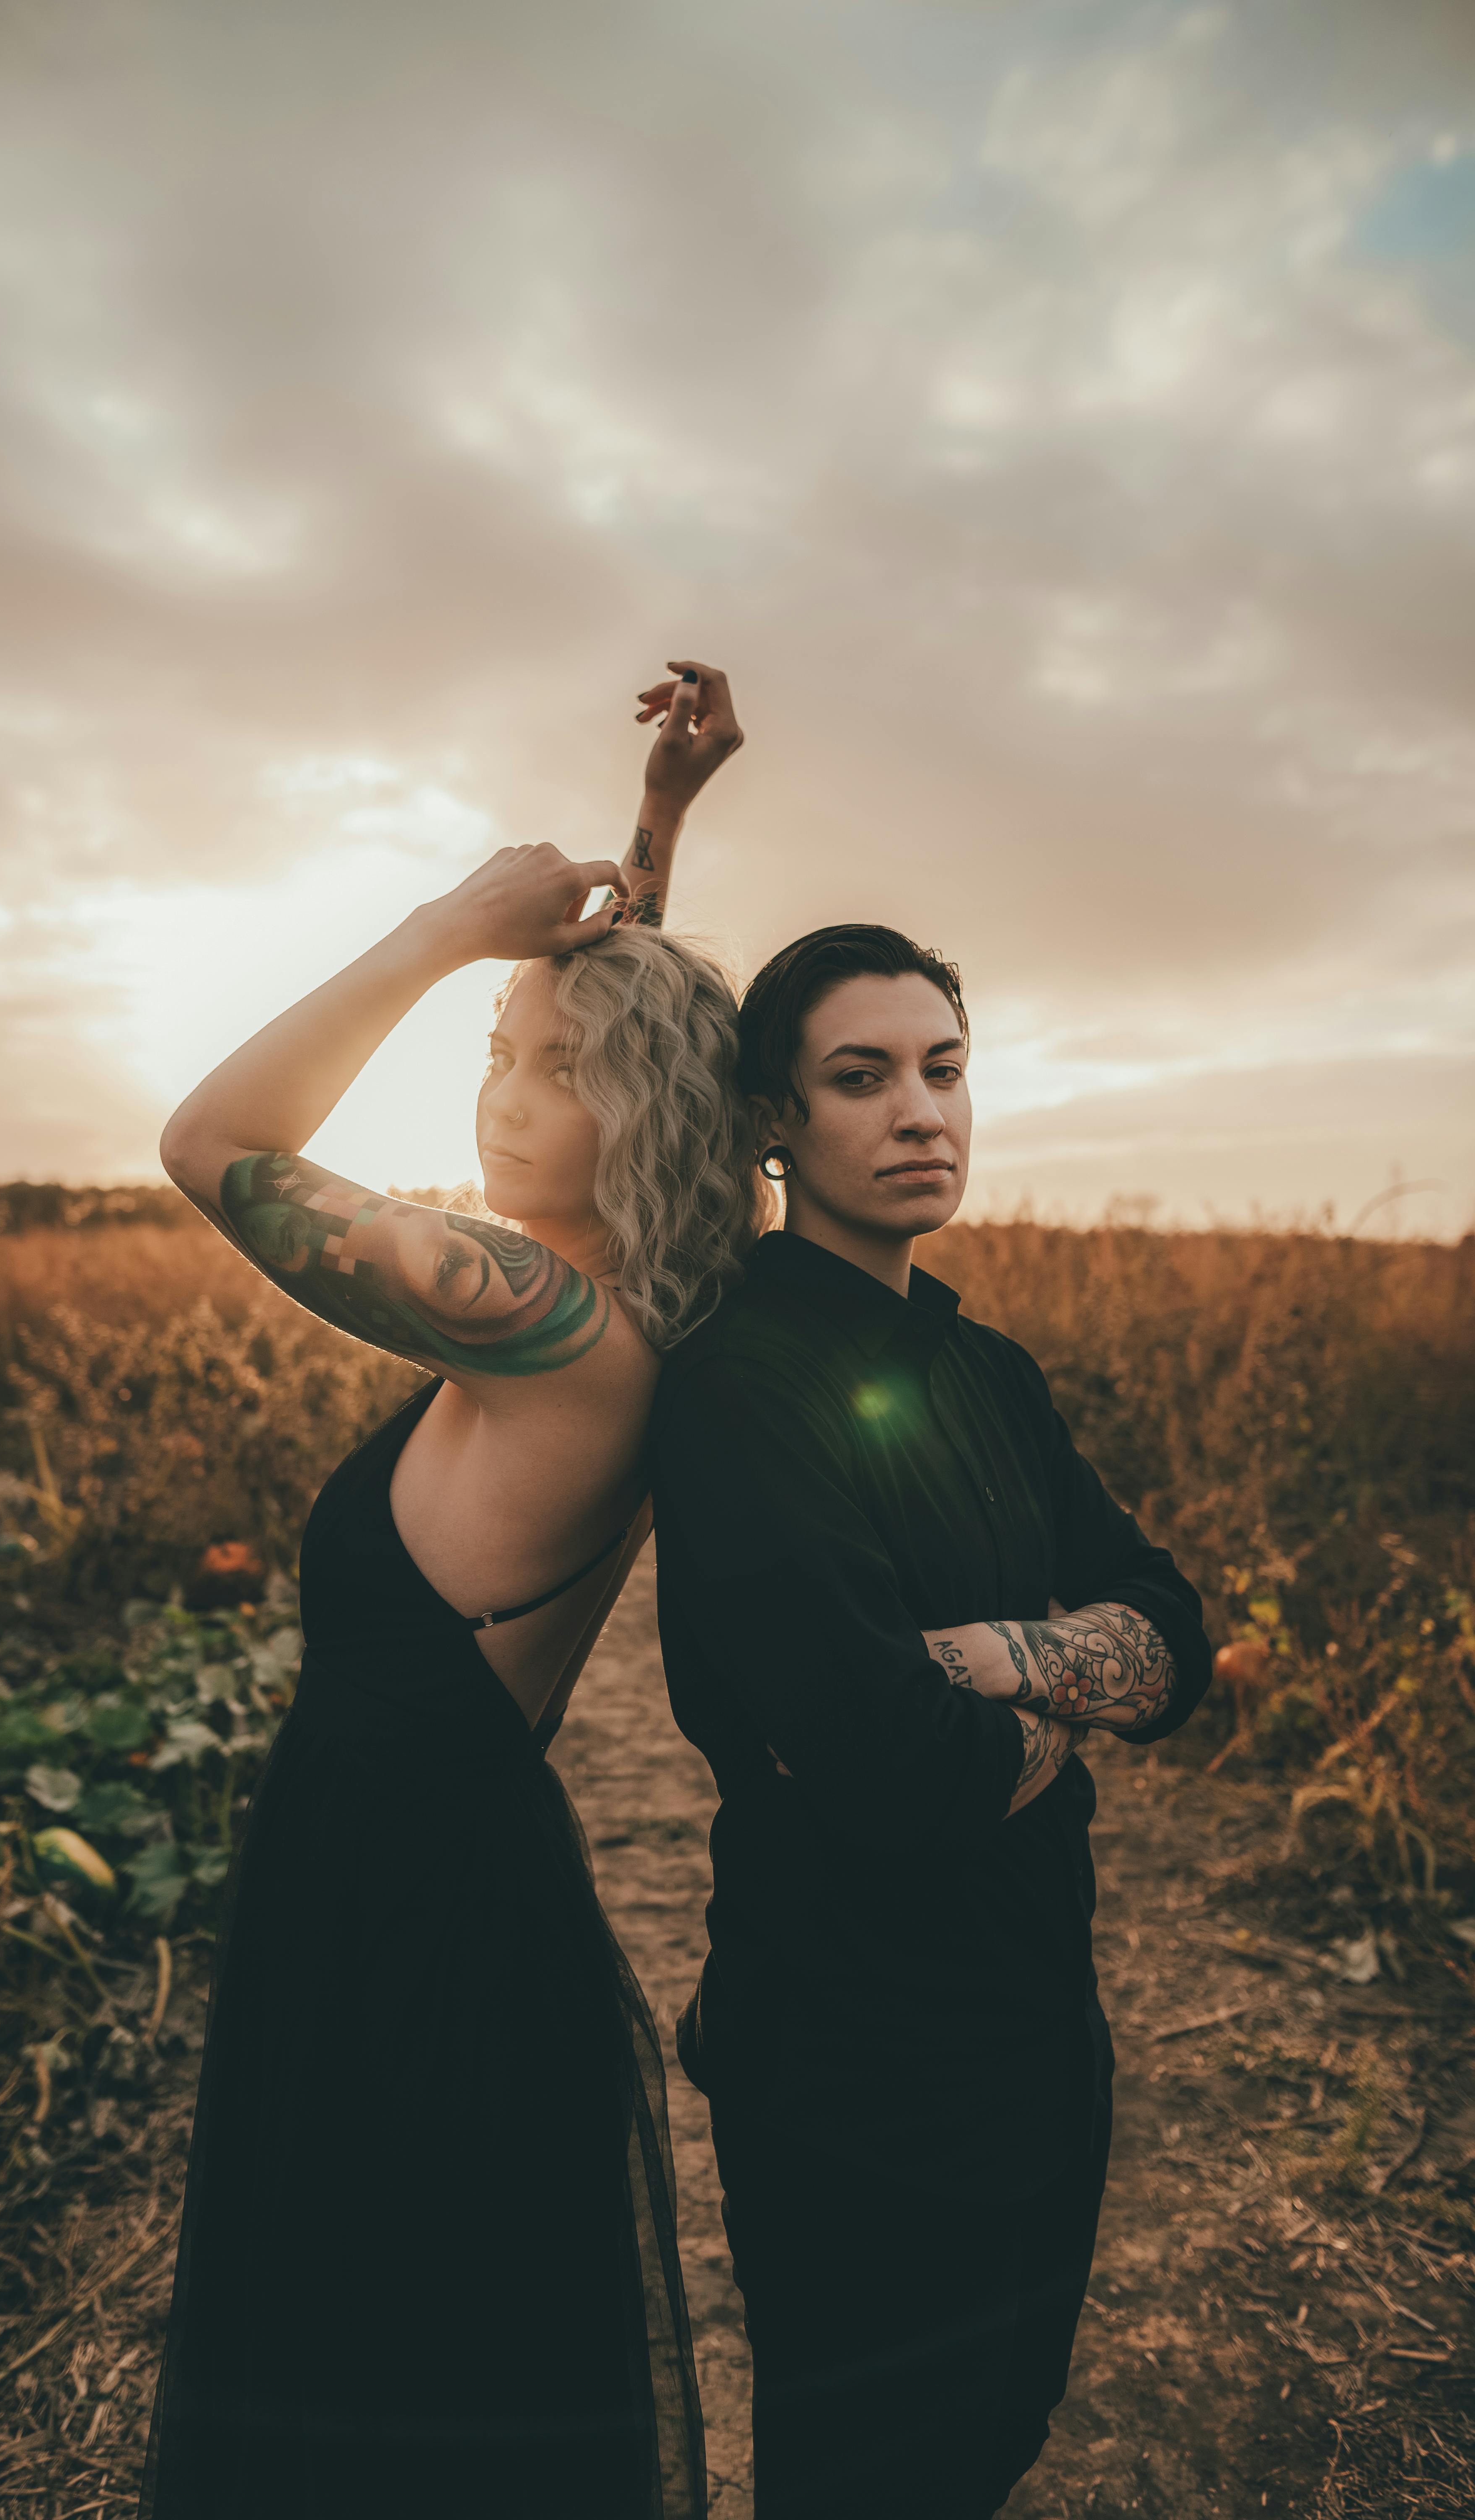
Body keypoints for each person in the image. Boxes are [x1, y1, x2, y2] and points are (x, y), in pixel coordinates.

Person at [137, 663, 764, 2520]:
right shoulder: (634, 1295)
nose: (506, 1093)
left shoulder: (543, 1323)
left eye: (560, 1072)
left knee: (376, 2366)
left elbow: (206, 1145)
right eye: (496, 1050)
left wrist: (436, 930)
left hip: (400, 1899)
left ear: (640, 1106)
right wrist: (656, 825)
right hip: (424, 1866)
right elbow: (622, 1014)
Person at [646, 910, 1214, 2519]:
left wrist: (997, 1660)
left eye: (946, 1069)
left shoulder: (992, 1372)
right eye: (863, 1075)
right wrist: (1065, 1688)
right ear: (775, 1121)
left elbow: (1178, 1638)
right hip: (853, 2066)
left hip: (1040, 2022)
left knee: (995, 2443)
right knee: (866, 2480)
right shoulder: (737, 1381)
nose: (921, 1111)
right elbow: (892, 1770)